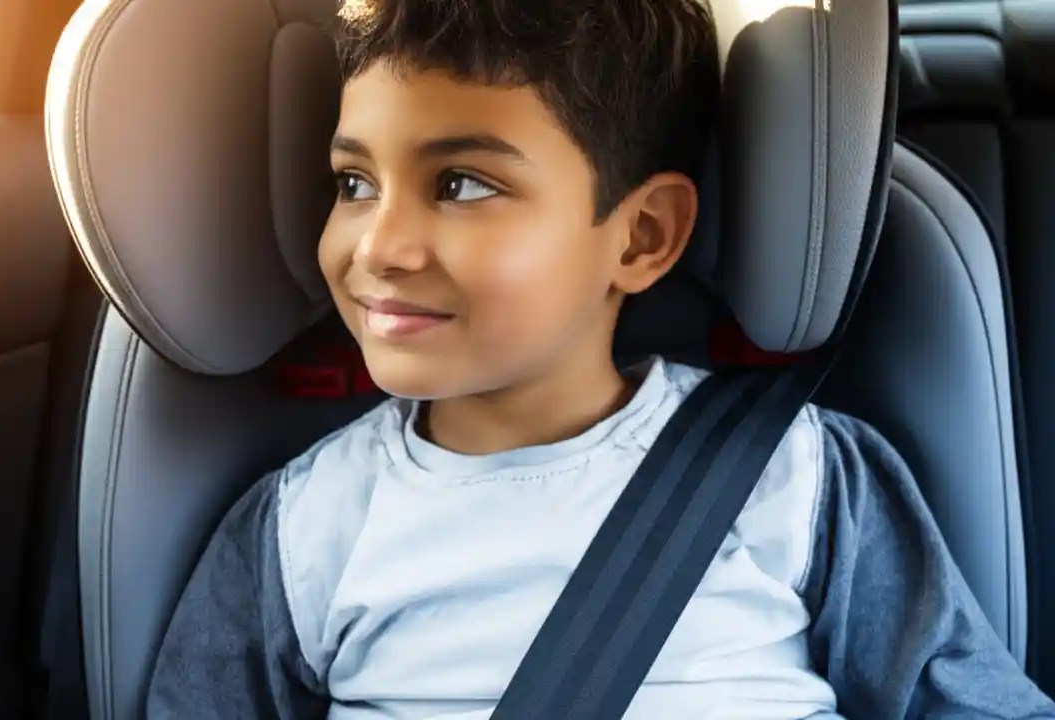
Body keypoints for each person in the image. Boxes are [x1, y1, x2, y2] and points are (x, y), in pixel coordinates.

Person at [147, 1, 1055, 717]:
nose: (379, 246)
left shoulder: (799, 478)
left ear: (641, 236)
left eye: (461, 184)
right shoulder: (301, 530)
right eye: (354, 183)